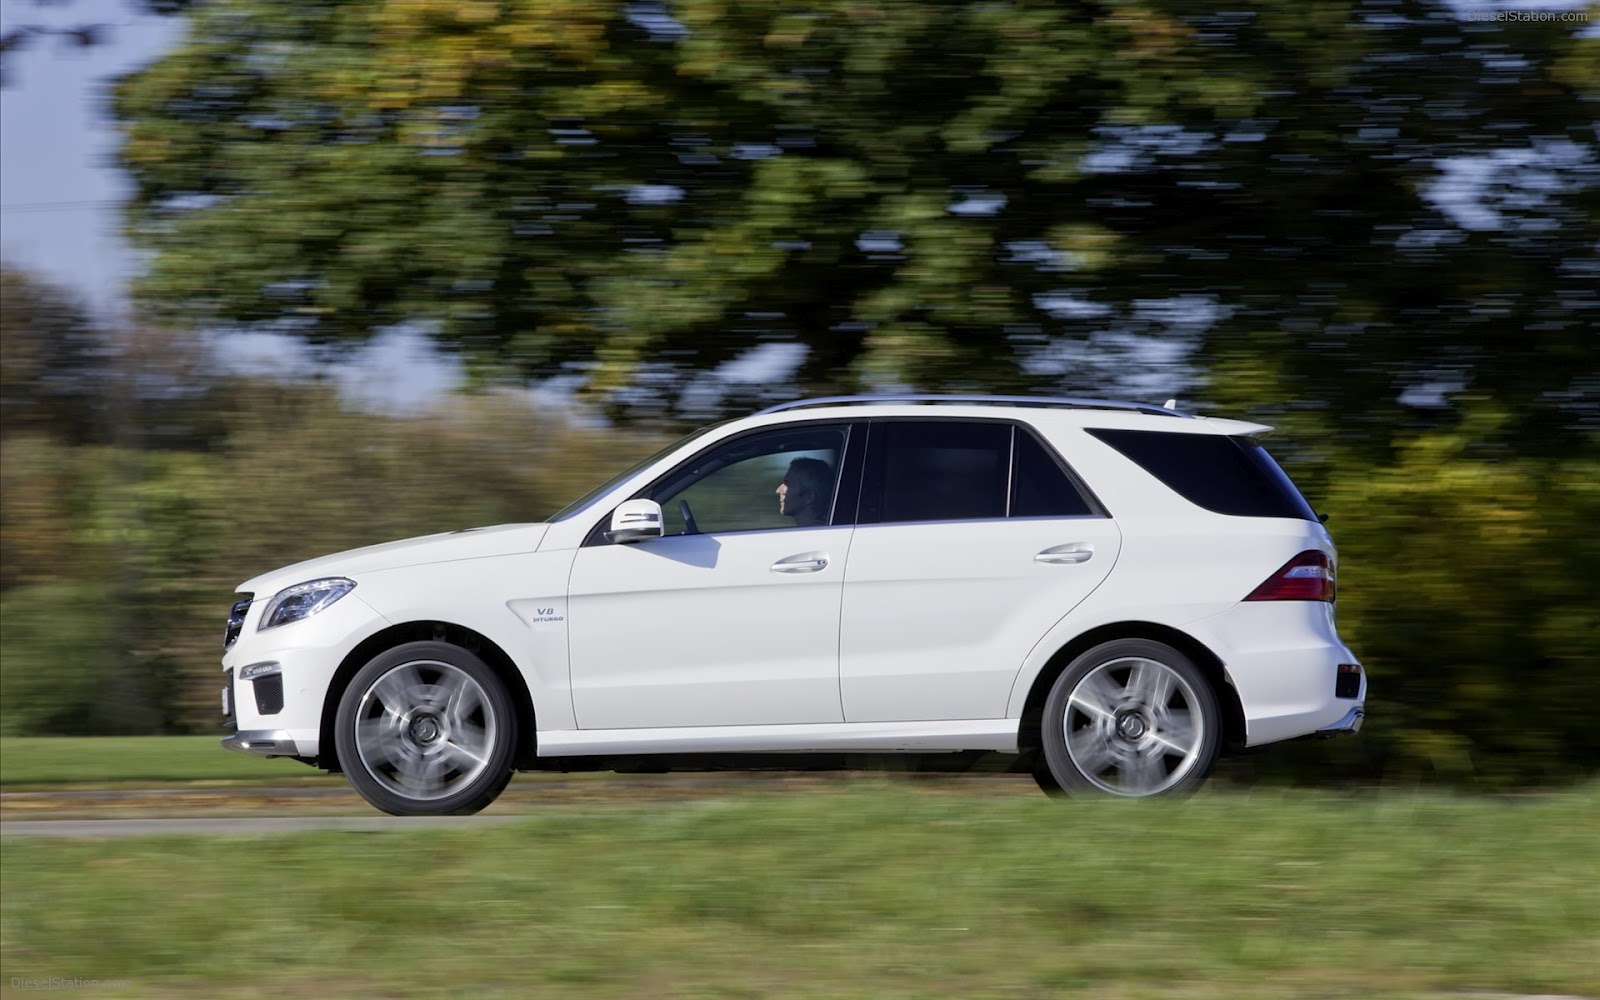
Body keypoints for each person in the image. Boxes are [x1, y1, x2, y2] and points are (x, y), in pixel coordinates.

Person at [776, 457, 833, 528]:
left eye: (788, 484)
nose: (778, 491)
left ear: (809, 497)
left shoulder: (817, 535)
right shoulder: (823, 530)